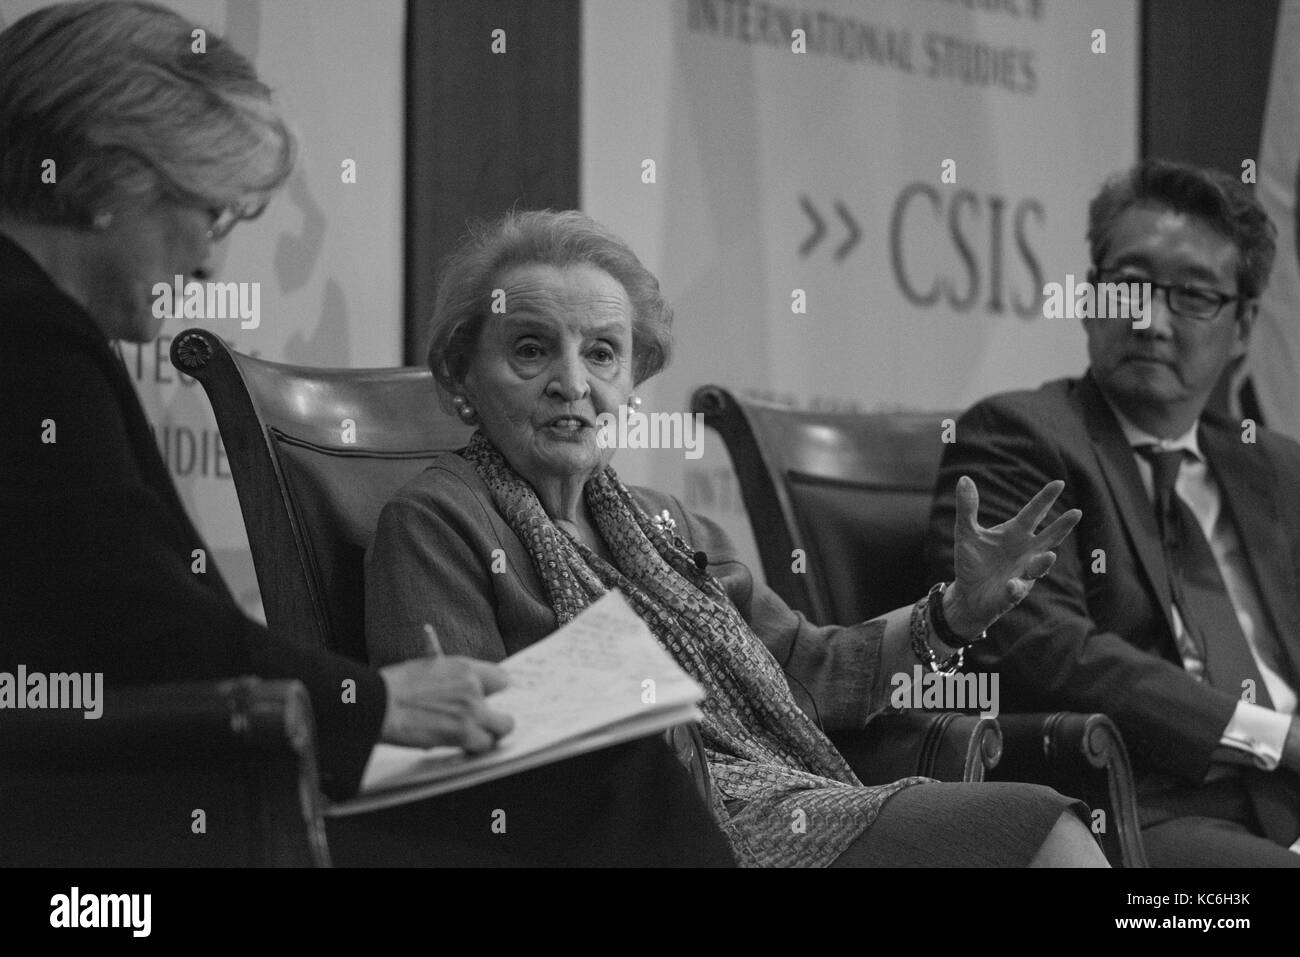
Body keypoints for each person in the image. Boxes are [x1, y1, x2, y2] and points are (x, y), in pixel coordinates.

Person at [0, 0, 732, 867]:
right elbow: (140, 624)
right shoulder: (28, 337)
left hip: (134, 771)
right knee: (612, 777)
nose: (209, 265)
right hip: (110, 805)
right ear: (115, 173)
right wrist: (374, 702)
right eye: (214, 212)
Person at [365, 206, 1110, 867]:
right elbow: (456, 759)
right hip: (638, 840)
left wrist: (954, 614)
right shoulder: (436, 522)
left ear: (631, 380)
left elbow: (814, 673)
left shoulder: (667, 524)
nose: (572, 381)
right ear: (461, 376)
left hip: (785, 802)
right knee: (1041, 828)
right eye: (531, 349)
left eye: (601, 352)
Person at [926, 158, 1300, 867]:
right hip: (1147, 808)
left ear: (1244, 325)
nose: (1150, 320)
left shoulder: (1275, 470)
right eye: (1127, 286)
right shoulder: (1020, 435)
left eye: (1192, 295)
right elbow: (1044, 649)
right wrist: (1272, 734)